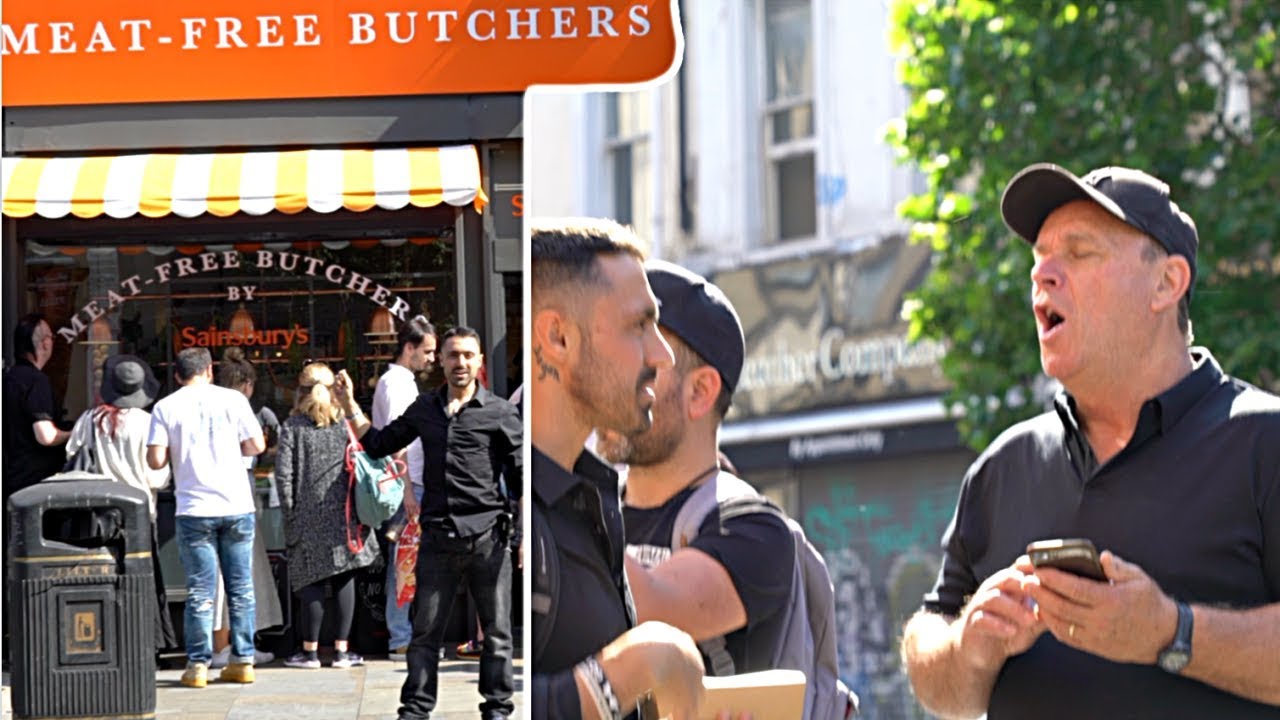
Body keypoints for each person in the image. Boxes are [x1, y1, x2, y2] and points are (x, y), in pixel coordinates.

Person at [900, 163, 1280, 718]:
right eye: (1039, 258)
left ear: (1166, 283)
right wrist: (967, 648)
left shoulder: (1264, 441)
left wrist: (1172, 634)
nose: (1042, 274)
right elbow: (934, 667)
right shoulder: (1004, 465)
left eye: (1079, 253)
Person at [530, 218, 707, 720]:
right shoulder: (517, 498)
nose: (663, 354)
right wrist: (633, 668)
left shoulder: (595, 495)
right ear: (558, 338)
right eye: (639, 325)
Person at [595, 261, 797, 677]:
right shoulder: (599, 506)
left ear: (700, 392)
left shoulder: (751, 530)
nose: (606, 376)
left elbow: (646, 609)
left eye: (639, 355)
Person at [333, 326, 521, 720]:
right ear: (442, 361)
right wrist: (349, 404)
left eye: (468, 355)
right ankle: (415, 711)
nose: (461, 363)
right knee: (424, 635)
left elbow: (522, 478)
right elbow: (378, 444)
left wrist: (522, 535)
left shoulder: (501, 412)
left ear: (480, 361)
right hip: (437, 535)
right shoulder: (425, 408)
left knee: (498, 635)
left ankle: (498, 710)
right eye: (453, 355)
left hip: (488, 536)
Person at [147, 347, 266, 689]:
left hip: (194, 508)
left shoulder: (165, 407)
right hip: (236, 504)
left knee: (201, 590)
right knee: (240, 586)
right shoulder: (233, 400)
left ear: (178, 375)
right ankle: (243, 660)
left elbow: (155, 461)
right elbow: (256, 445)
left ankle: (197, 665)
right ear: (210, 370)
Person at [64, 354, 177, 653]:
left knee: (102, 580)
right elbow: (157, 479)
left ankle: (106, 640)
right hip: (140, 514)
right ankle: (149, 644)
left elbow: (71, 458)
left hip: (96, 516)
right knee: (145, 579)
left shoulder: (89, 420)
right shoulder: (146, 423)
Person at [275, 362, 381, 669]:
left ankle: (309, 653)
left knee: (311, 582)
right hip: (346, 513)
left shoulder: (292, 427)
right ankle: (342, 652)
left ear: (300, 390)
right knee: (345, 580)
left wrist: (290, 513)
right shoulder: (346, 424)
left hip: (307, 516)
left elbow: (284, 476)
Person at [209, 347, 282, 668]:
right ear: (248, 385)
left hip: (207, 497)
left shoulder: (206, 408)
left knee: (215, 577)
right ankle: (236, 647)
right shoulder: (241, 409)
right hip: (238, 495)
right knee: (239, 573)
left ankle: (219, 647)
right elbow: (259, 447)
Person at [373, 314, 437, 662]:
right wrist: (410, 490)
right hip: (405, 485)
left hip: (408, 483)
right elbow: (399, 442)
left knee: (407, 561)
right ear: (409, 348)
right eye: (426, 351)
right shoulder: (397, 384)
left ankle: (403, 634)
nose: (431, 359)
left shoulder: (400, 381)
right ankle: (400, 636)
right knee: (405, 561)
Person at [3, 314, 70, 505]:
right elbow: (46, 436)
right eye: (50, 337)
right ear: (44, 344)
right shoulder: (36, 381)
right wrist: (75, 433)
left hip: (9, 478)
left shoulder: (9, 378)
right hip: (35, 484)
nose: (51, 342)